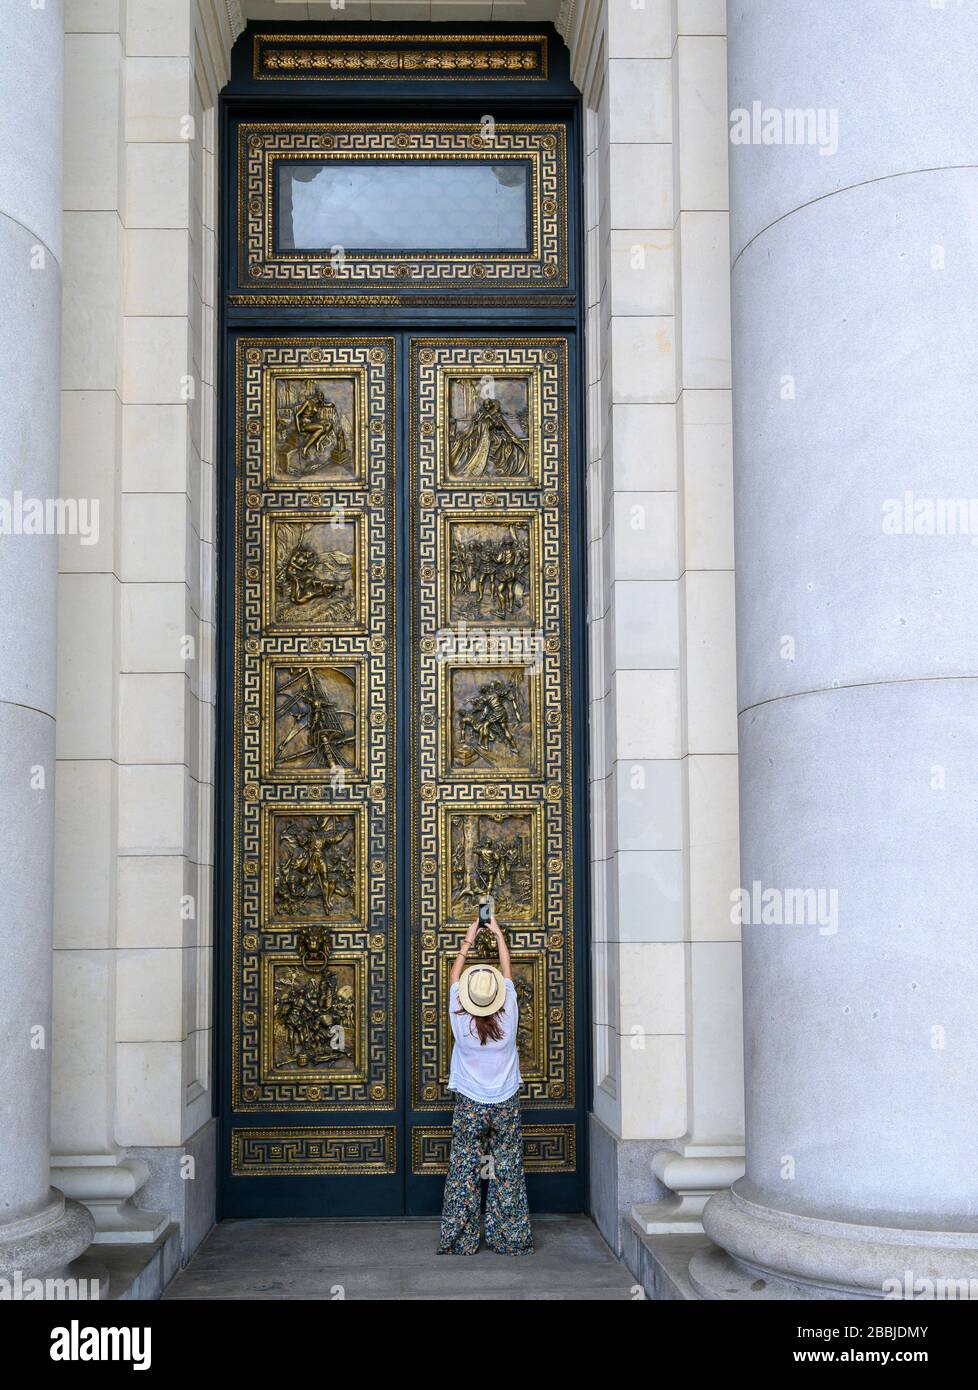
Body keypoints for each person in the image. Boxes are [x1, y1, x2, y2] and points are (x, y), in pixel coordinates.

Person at [437, 915, 533, 1256]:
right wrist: (497, 935)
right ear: (495, 997)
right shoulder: (508, 1014)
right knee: (506, 1169)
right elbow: (508, 974)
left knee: (465, 1169)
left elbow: (452, 977)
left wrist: (468, 939)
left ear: (467, 998)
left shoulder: (460, 1019)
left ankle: (460, 1240)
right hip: (505, 1102)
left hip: (471, 1103)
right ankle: (509, 1238)